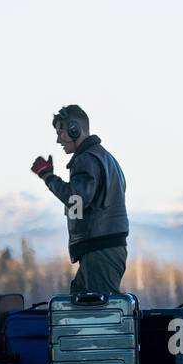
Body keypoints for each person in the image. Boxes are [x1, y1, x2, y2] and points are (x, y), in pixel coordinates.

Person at [31, 105, 129, 295]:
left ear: (75, 129)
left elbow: (76, 199)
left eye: (61, 132)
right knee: (81, 304)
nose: (58, 139)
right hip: (102, 247)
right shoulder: (105, 157)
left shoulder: (86, 159)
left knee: (100, 313)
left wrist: (48, 177)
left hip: (100, 249)